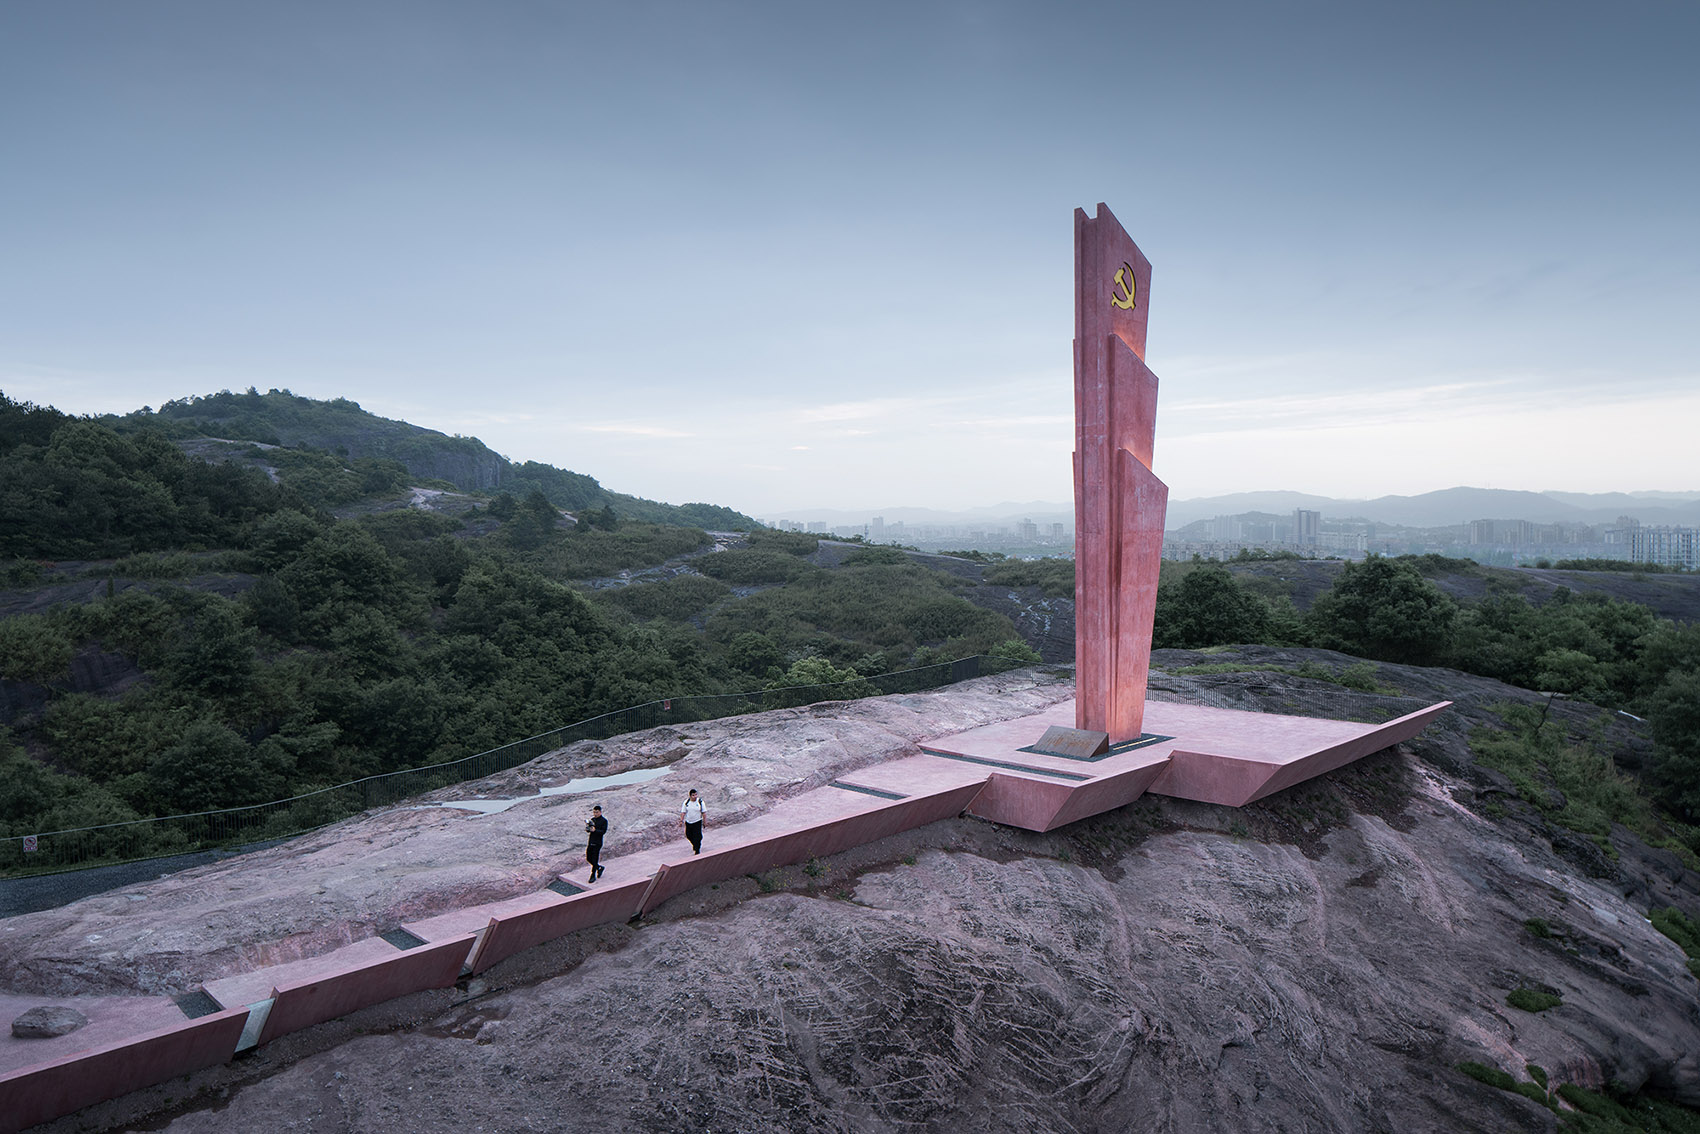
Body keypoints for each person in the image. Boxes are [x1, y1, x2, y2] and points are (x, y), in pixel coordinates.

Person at [584, 804, 607, 882]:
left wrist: (595, 830)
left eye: (596, 812)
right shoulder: (593, 819)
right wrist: (588, 829)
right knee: (588, 857)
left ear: (600, 812)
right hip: (591, 841)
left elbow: (603, 831)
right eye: (594, 812)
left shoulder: (604, 821)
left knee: (594, 858)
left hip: (598, 842)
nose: (595, 814)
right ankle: (599, 867)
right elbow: (589, 829)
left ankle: (593, 875)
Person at [680, 789, 705, 855]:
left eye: (696, 794)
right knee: (688, 835)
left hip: (697, 821)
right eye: (693, 795)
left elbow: (703, 812)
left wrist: (704, 821)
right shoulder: (686, 802)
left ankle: (697, 849)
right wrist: (681, 820)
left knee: (697, 836)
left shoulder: (700, 802)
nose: (695, 796)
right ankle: (695, 844)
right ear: (690, 796)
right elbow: (683, 812)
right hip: (689, 822)